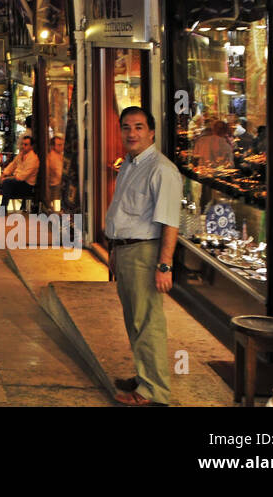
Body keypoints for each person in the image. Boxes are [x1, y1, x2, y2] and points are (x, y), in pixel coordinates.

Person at [105, 106, 182, 406]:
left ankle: (154, 392)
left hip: (145, 252)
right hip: (126, 250)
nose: (132, 133)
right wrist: (114, 249)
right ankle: (144, 376)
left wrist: (164, 265)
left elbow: (169, 222)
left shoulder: (161, 169)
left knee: (148, 322)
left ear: (151, 131)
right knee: (134, 320)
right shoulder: (129, 164)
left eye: (138, 127)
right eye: (126, 127)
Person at [0, 135, 38, 214]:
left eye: (26, 144)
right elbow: (12, 166)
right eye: (22, 144)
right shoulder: (21, 155)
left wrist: (6, 179)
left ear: (31, 146)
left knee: (7, 183)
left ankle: (2, 210)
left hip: (26, 185)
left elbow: (21, 177)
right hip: (16, 181)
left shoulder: (33, 159)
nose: (23, 146)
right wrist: (1, 177)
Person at [46, 134, 66, 209]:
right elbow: (60, 174)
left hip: (58, 185)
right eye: (59, 145)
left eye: (63, 144)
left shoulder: (59, 155)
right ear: (53, 146)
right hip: (55, 186)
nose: (62, 147)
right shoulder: (53, 157)